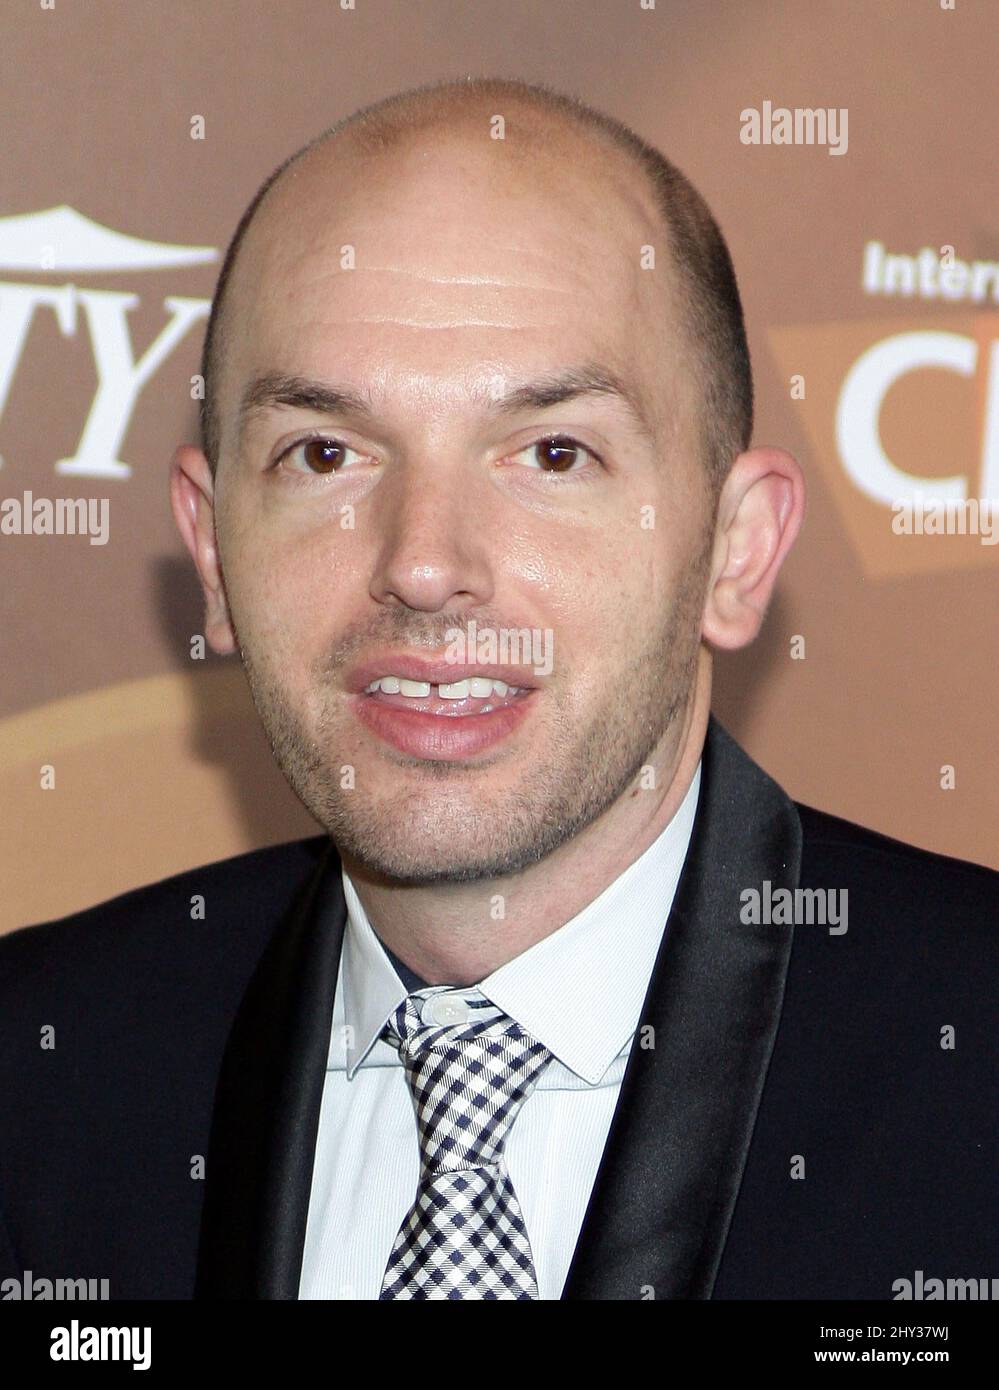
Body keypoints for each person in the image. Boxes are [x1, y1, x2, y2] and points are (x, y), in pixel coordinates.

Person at [1, 77, 995, 1303]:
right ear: (213, 550)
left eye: (552, 453)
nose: (423, 562)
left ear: (735, 552)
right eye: (324, 454)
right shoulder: (39, 1075)